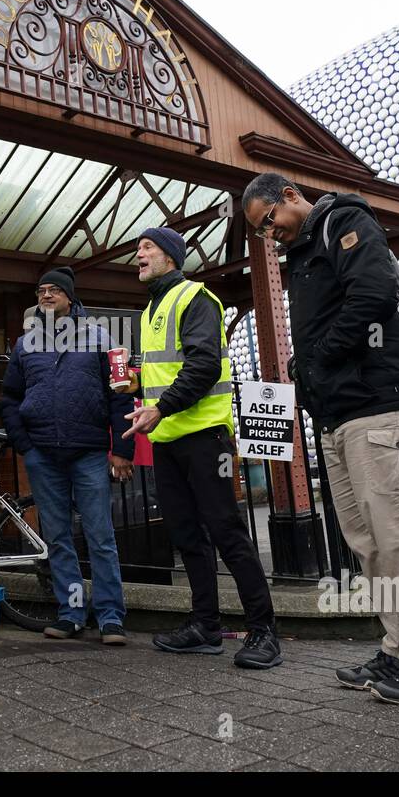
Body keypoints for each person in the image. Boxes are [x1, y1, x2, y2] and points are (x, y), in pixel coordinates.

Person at [244, 173, 399, 705]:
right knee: (366, 542)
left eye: (269, 220)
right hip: (339, 414)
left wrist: (314, 359)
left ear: (291, 197)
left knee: (397, 538)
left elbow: (371, 295)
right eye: (260, 231)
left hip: (380, 404)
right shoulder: (299, 254)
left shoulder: (345, 220)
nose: (269, 234)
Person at [121, 228, 281, 669]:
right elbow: (164, 371)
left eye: (147, 247)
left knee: (226, 532)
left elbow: (205, 365)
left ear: (171, 257)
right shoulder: (152, 307)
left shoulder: (196, 298)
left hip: (206, 437)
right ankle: (205, 626)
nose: (139, 253)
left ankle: (264, 631)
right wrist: (136, 384)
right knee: (187, 536)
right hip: (169, 441)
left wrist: (160, 407)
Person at [0, 267, 135, 644]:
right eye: (41, 290)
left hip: (89, 454)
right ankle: (71, 613)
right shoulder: (25, 344)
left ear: (71, 298)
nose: (46, 296)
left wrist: (122, 449)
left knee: (100, 536)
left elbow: (120, 395)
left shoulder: (101, 338)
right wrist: (24, 444)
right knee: (57, 538)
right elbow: (10, 398)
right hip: (42, 455)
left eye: (54, 290)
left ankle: (110, 618)